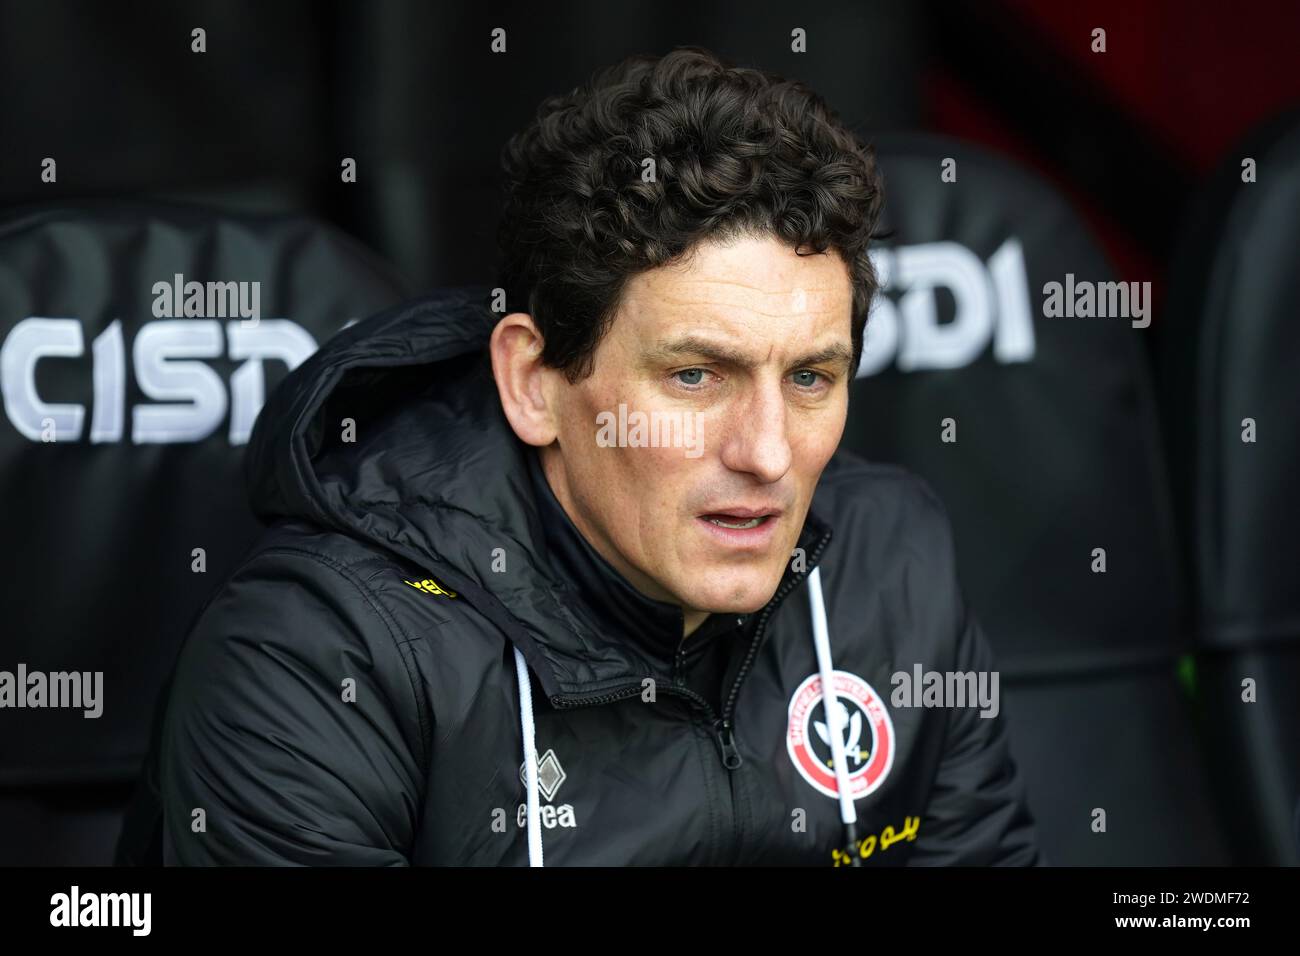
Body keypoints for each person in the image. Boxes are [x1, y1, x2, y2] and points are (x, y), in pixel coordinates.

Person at [119, 46, 1040, 866]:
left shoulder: (893, 562)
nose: (768, 454)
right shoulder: (317, 661)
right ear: (533, 382)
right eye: (694, 377)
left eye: (809, 379)